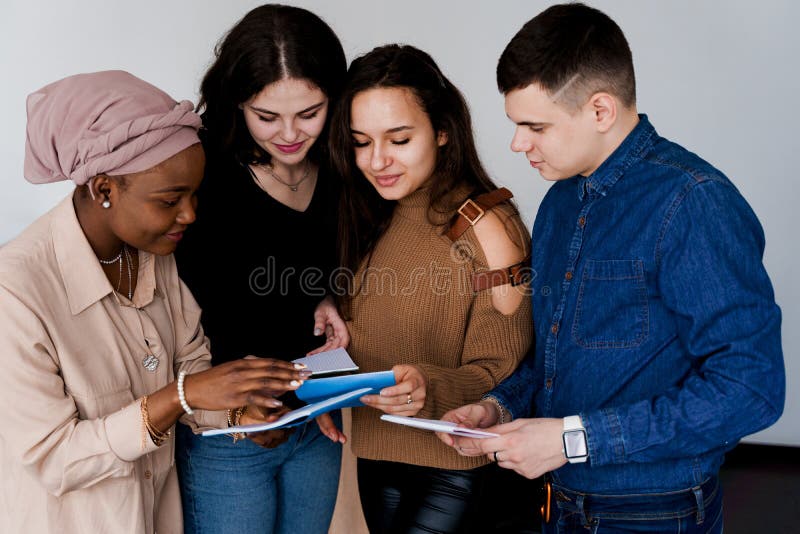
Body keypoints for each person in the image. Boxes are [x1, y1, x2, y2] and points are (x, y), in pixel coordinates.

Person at [439, 4, 785, 533]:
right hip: (563, 503)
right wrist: (496, 408)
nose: (517, 144)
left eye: (535, 126)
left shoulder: (693, 202)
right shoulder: (559, 202)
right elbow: (558, 359)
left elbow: (751, 388)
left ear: (600, 111)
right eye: (515, 125)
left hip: (655, 513)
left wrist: (571, 440)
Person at [0, 70, 311, 534]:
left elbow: (190, 365)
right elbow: (53, 458)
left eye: (193, 195)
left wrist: (235, 415)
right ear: (103, 189)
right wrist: (182, 396)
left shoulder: (152, 252)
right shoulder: (16, 290)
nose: (190, 214)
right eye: (170, 200)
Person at [328, 44, 533, 533]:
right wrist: (328, 381)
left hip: (455, 463)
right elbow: (374, 331)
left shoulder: (486, 223)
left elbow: (504, 366)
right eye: (360, 141)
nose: (377, 160)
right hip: (376, 451)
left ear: (442, 130)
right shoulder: (369, 214)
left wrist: (429, 384)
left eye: (398, 139)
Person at [172, 5, 349, 534]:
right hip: (229, 429)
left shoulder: (347, 163)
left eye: (310, 113)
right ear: (236, 103)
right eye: (267, 116)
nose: (291, 134)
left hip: (316, 418)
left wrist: (328, 295)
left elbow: (352, 259)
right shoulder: (201, 168)